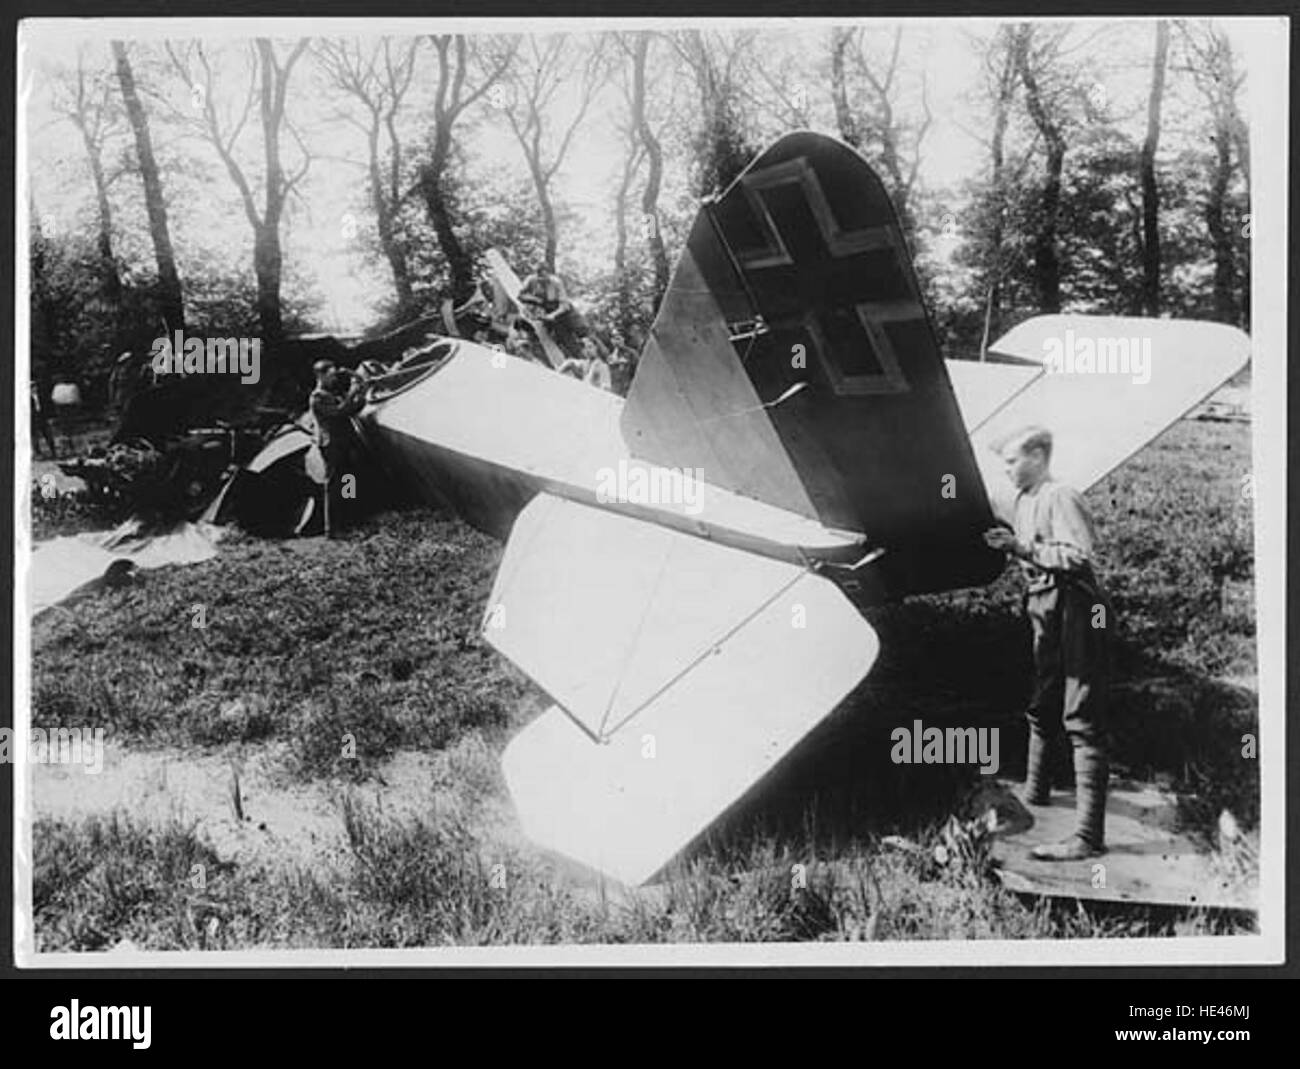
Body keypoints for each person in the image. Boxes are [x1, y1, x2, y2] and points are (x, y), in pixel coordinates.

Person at [983, 425, 1111, 861]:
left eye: (1014, 461)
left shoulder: (1061, 495)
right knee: (1042, 701)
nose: (1008, 470)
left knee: (1080, 713)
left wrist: (1020, 547)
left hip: (1077, 607)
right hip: (1046, 608)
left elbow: (1079, 556)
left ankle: (1088, 838)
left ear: (1039, 455)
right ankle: (1035, 791)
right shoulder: (1024, 499)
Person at [308, 359, 367, 538]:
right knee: (334, 486)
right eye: (331, 375)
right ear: (320, 376)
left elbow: (352, 408)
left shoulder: (329, 393)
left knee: (348, 481)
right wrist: (353, 391)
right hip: (331, 444)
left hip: (343, 442)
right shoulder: (318, 397)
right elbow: (340, 411)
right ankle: (332, 529)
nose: (334, 378)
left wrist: (357, 382)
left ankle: (349, 521)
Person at [518, 263, 587, 361]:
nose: (541, 280)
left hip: (563, 312)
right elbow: (521, 296)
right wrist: (536, 301)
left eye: (544, 277)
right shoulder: (531, 280)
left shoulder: (556, 283)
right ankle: (579, 359)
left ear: (548, 274)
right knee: (565, 338)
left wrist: (553, 315)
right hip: (547, 312)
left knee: (582, 330)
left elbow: (565, 305)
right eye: (539, 277)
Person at [30, 381, 56, 457]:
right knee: (34, 436)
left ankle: (53, 451)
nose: (34, 388)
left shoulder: (42, 396)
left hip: (42, 417)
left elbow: (48, 407)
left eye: (34, 387)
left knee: (48, 434)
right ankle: (37, 452)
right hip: (33, 418)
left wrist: (50, 417)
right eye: (32, 387)